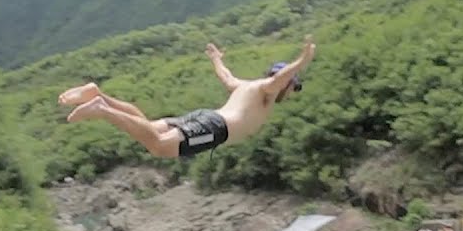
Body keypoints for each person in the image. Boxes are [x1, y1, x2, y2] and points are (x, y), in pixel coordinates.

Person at [60, 36, 315, 159]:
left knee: (148, 128)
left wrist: (216, 58)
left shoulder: (245, 87)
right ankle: (102, 109)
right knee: (159, 146)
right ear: (288, 82)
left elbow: (225, 76)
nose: (293, 92)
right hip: (215, 129)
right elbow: (278, 80)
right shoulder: (265, 91)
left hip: (207, 118)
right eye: (295, 87)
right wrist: (302, 61)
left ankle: (99, 95)